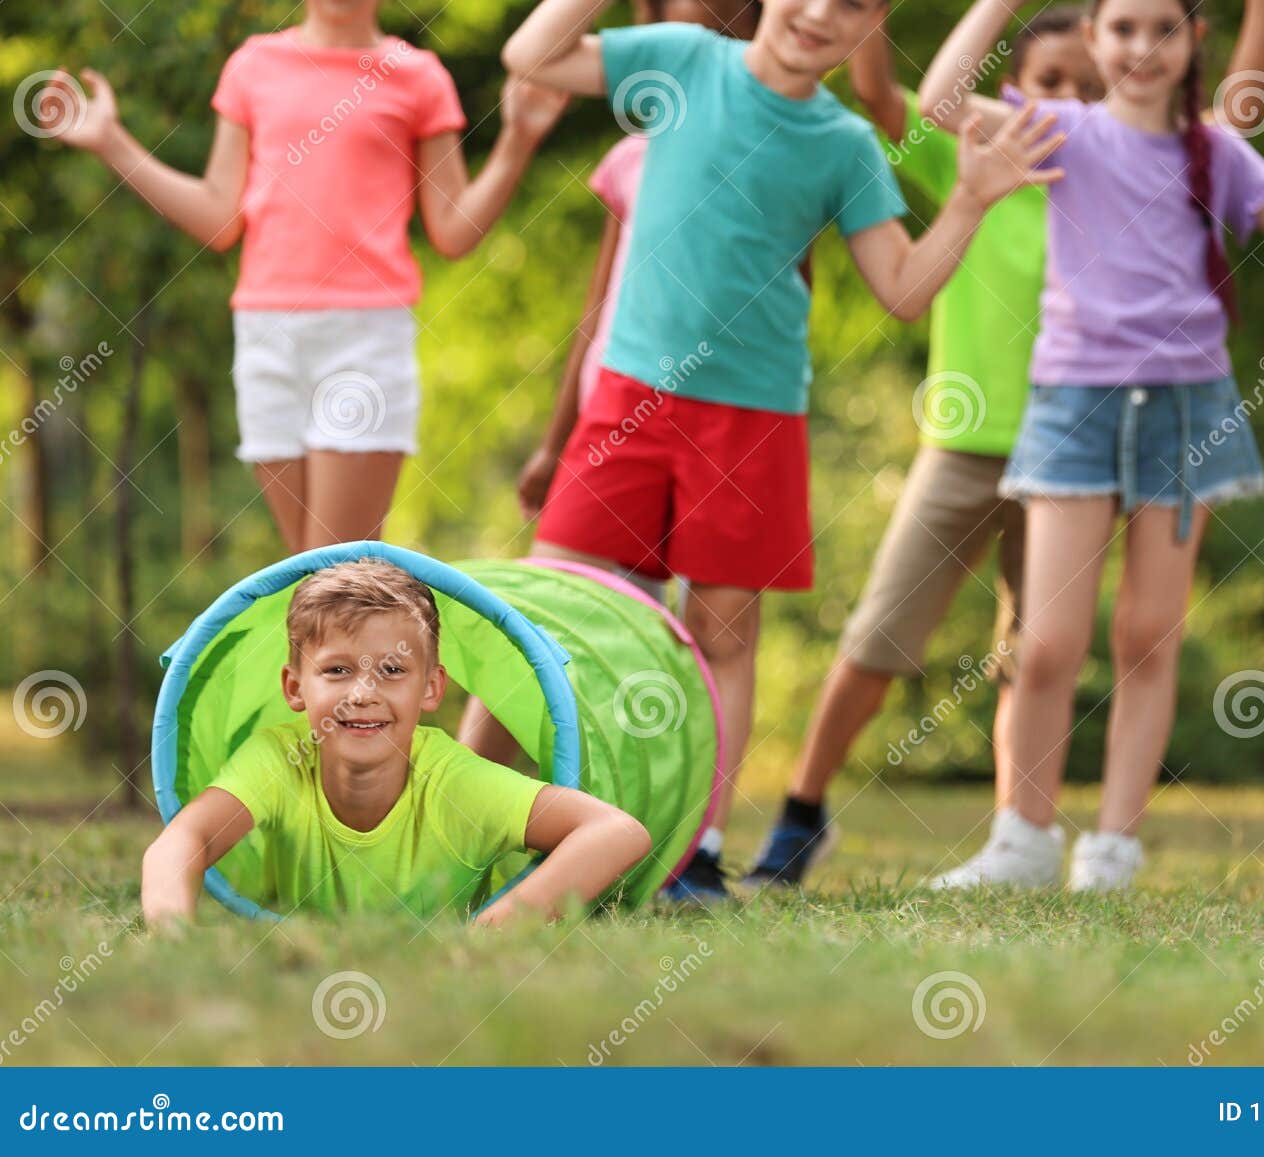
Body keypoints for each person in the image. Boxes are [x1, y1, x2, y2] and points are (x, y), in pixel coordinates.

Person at [493, 0, 1066, 902]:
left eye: (851, 5)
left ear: (870, 23)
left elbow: (906, 290)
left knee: (723, 632)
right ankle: (464, 812)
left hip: (753, 418)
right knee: (542, 611)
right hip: (632, 397)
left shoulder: (842, 144)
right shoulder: (681, 62)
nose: (819, 14)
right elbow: (531, 51)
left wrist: (970, 198)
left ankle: (694, 852)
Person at [917, 0, 1264, 890]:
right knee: (1047, 642)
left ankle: (1114, 848)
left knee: (1145, 636)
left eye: (1161, 28)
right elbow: (940, 104)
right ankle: (1021, 839)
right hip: (1073, 407)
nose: (1140, 47)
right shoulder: (1062, 130)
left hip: (1185, 410)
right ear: (1093, 40)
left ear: (1193, 42)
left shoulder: (1218, 153)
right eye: (1122, 28)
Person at [743, 0, 1264, 890]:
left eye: (1082, 82)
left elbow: (1233, 114)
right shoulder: (980, 161)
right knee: (879, 639)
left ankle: (1020, 840)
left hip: (1078, 452)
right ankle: (801, 810)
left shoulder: (1127, 166)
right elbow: (883, 91)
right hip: (966, 447)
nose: (1070, 95)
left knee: (1038, 651)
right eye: (1050, 82)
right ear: (1013, 90)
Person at [43, 0, 568, 552]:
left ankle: (396, 636)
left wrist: (519, 139)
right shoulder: (253, 67)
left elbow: (454, 230)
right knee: (313, 578)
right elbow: (221, 218)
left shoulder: (418, 76)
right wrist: (110, 141)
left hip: (363, 336)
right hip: (266, 335)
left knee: (334, 576)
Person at [141, 559, 651, 927]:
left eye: (391, 670)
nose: (363, 694)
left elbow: (618, 831)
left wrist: (493, 933)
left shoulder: (456, 784)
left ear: (430, 688)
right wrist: (171, 937)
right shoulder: (280, 757)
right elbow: (183, 842)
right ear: (295, 689)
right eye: (337, 670)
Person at [509, 0, 766, 625]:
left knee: (698, 631)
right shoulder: (633, 156)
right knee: (559, 611)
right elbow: (595, 310)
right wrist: (553, 441)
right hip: (614, 411)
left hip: (721, 421)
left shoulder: (780, 144)